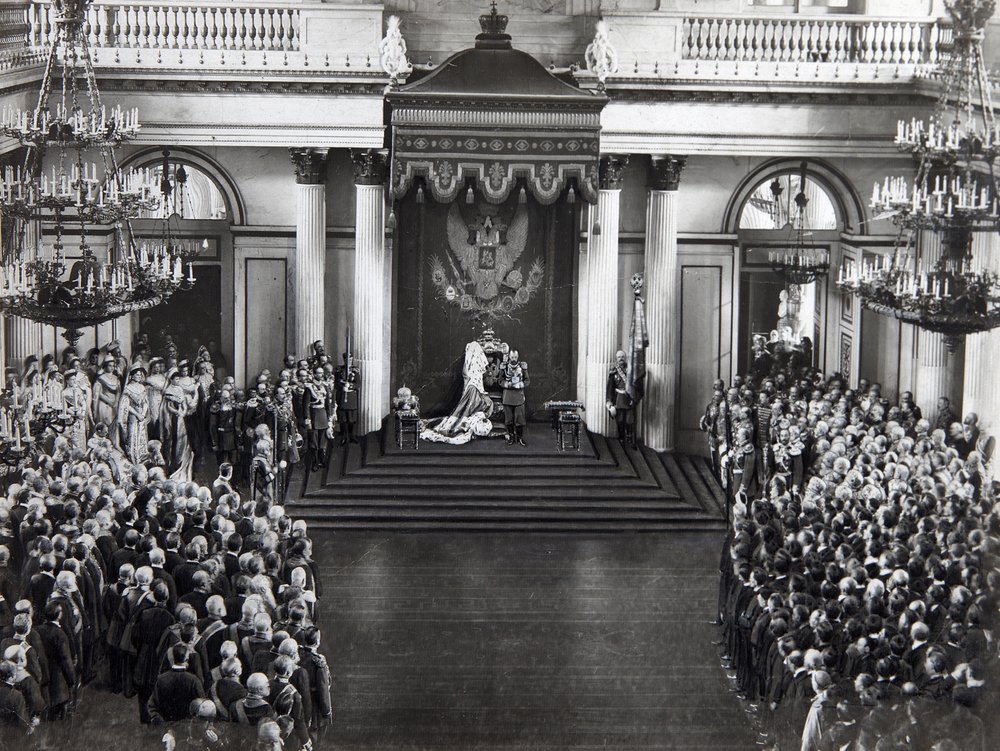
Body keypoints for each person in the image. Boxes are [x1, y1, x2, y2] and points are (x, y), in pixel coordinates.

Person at [420, 340, 495, 444]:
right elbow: (474, 393)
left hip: (473, 392)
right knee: (456, 422)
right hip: (472, 394)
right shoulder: (472, 373)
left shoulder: (473, 371)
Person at [147, 644, 205, 724]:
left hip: (166, 728)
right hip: (188, 729)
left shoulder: (161, 679)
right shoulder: (194, 680)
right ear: (186, 659)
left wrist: (160, 723)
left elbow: (152, 705)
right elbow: (203, 706)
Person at [117, 365, 151, 465]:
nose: (139, 376)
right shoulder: (128, 388)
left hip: (141, 416)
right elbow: (126, 405)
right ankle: (133, 459)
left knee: (142, 436)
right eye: (137, 375)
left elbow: (145, 402)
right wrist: (137, 414)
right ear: (131, 376)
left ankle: (142, 459)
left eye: (140, 375)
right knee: (132, 436)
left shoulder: (142, 387)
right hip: (132, 416)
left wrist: (143, 414)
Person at [498, 348, 529, 446]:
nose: (514, 359)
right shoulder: (504, 367)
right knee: (509, 419)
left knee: (519, 419)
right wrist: (507, 384)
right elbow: (500, 380)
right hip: (508, 397)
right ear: (509, 357)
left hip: (519, 397)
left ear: (518, 357)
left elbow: (527, 380)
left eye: (515, 357)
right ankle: (511, 437)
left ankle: (520, 438)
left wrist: (520, 384)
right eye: (512, 357)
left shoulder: (522, 367)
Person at [606, 349, 636, 448]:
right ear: (616, 359)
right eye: (619, 357)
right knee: (620, 420)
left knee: (630, 420)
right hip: (618, 399)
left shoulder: (631, 371)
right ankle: (621, 438)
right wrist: (609, 402)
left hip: (629, 398)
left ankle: (629, 438)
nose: (621, 359)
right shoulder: (614, 372)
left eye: (622, 357)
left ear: (625, 358)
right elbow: (610, 388)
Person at [335, 348, 361, 445]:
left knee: (352, 419)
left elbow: (358, 384)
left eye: (350, 359)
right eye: (347, 359)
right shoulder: (339, 370)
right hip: (342, 396)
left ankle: (352, 436)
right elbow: (337, 382)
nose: (349, 361)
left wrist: (350, 386)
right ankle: (344, 436)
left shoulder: (355, 370)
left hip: (351, 397)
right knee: (343, 419)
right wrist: (342, 386)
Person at [91, 354, 122, 431]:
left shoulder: (116, 378)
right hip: (104, 404)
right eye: (109, 366)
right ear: (105, 366)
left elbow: (118, 391)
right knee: (105, 425)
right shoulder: (101, 378)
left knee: (114, 426)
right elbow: (98, 393)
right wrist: (110, 402)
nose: (112, 368)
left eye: (113, 366)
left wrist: (116, 402)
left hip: (115, 405)